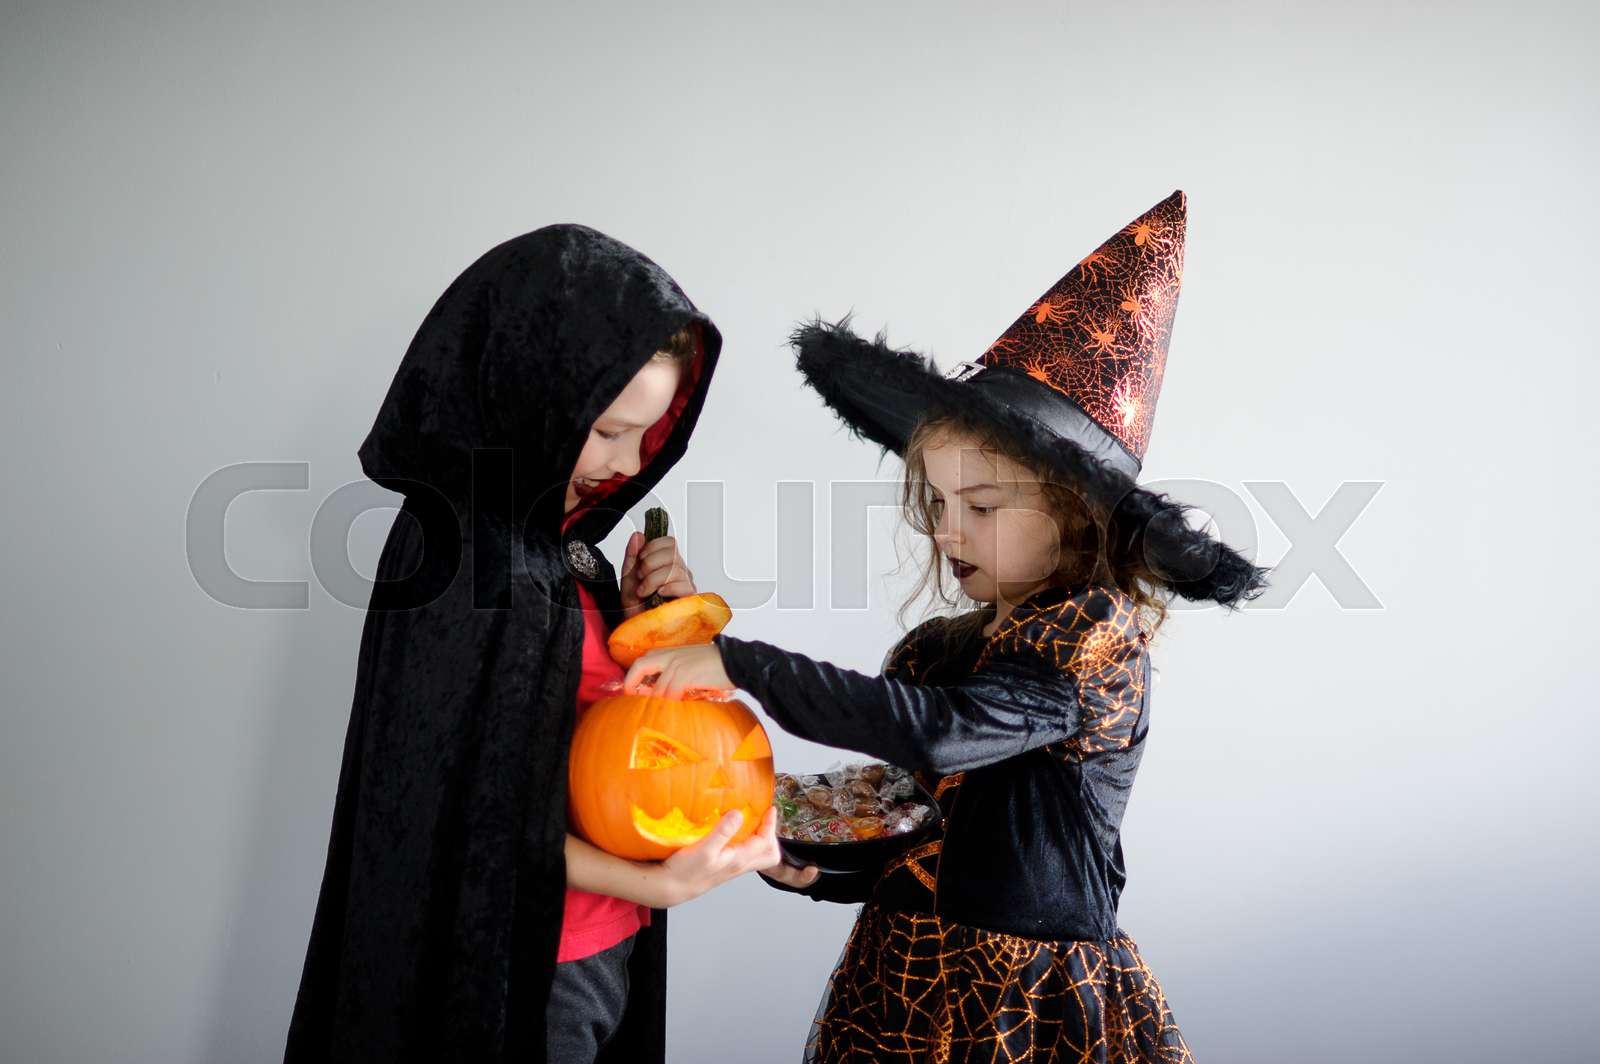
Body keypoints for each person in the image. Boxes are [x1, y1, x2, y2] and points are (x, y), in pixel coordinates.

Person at [625, 192, 1267, 1062]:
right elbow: (908, 814)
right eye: (935, 501)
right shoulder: (938, 652)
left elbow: (943, 736)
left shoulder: (1094, 643)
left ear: (1075, 515)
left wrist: (736, 661)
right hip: (905, 986)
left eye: (982, 505)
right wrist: (812, 863)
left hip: (1029, 1009)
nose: (945, 530)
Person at [285, 224, 778, 1064]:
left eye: (645, 435)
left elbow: (571, 731)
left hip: (597, 946)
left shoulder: (555, 546)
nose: (626, 462)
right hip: (520, 972)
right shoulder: (462, 554)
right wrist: (660, 885)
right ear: (531, 393)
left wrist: (641, 624)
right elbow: (474, 819)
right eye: (607, 429)